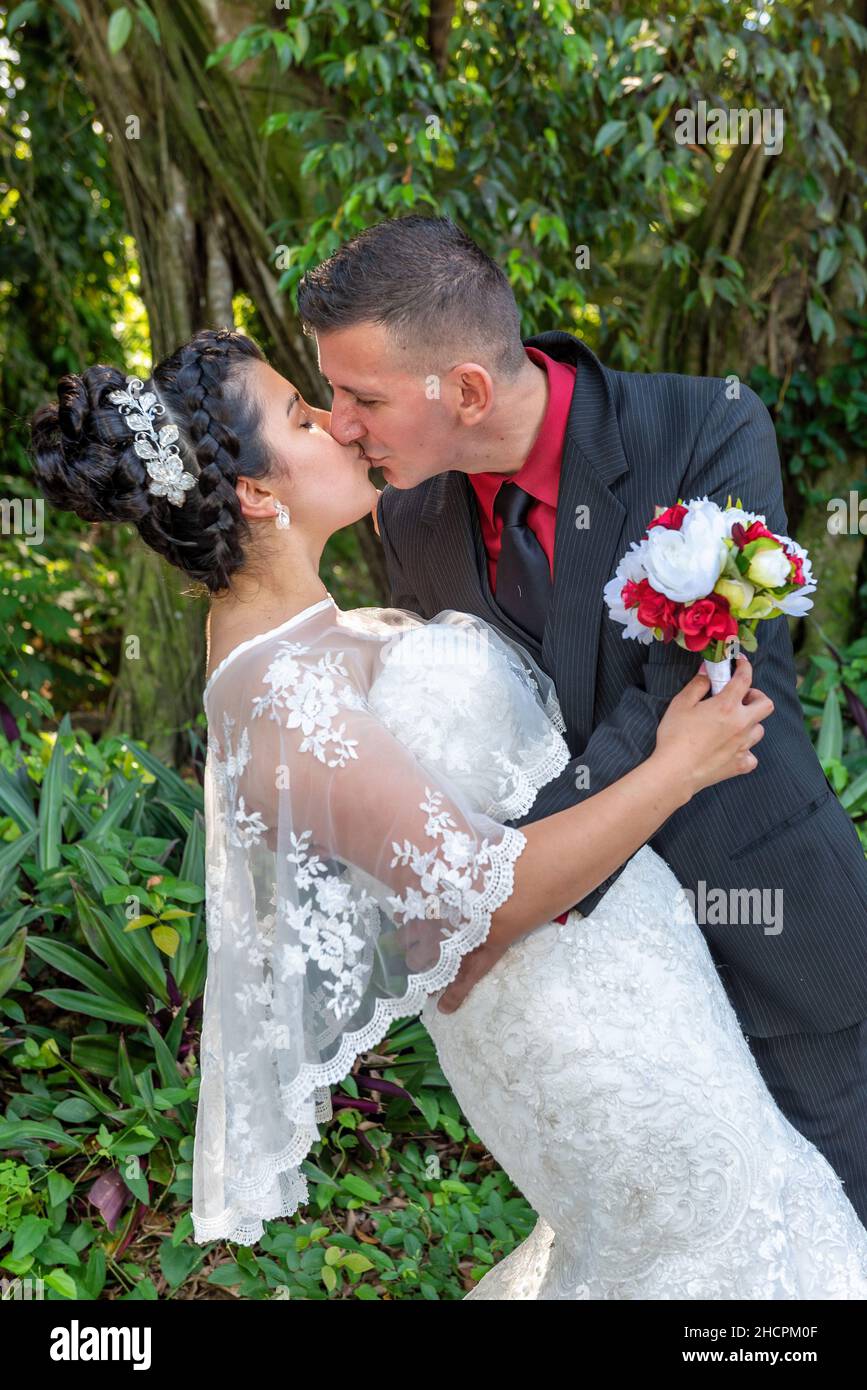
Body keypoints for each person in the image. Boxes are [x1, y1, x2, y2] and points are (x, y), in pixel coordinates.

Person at [30, 328, 867, 1298]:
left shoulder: (312, 637)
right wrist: (677, 767)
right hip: (589, 1038)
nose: (342, 428)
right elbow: (482, 894)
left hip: (642, 991)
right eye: (303, 417)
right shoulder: (275, 696)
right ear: (258, 493)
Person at [297, 215, 867, 1247]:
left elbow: (725, 691)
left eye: (363, 398)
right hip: (614, 1003)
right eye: (333, 397)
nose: (340, 425)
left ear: (466, 392)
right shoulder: (410, 519)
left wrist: (500, 891)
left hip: (771, 930)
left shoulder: (706, 429)